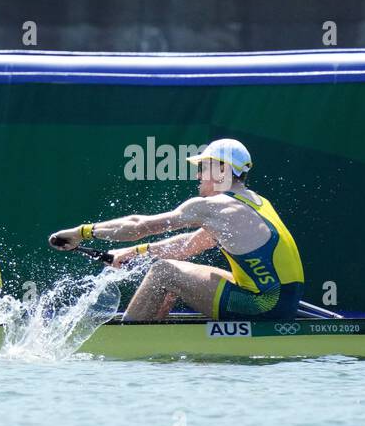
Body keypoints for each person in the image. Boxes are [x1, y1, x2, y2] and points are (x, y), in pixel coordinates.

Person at [49, 138, 304, 322]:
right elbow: (190, 245)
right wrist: (132, 252)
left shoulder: (214, 207)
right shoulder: (254, 203)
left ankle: (129, 344)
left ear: (223, 169)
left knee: (163, 271)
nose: (198, 175)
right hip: (280, 301)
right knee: (172, 266)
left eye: (203, 168)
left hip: (264, 306)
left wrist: (80, 232)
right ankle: (155, 338)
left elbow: (140, 226)